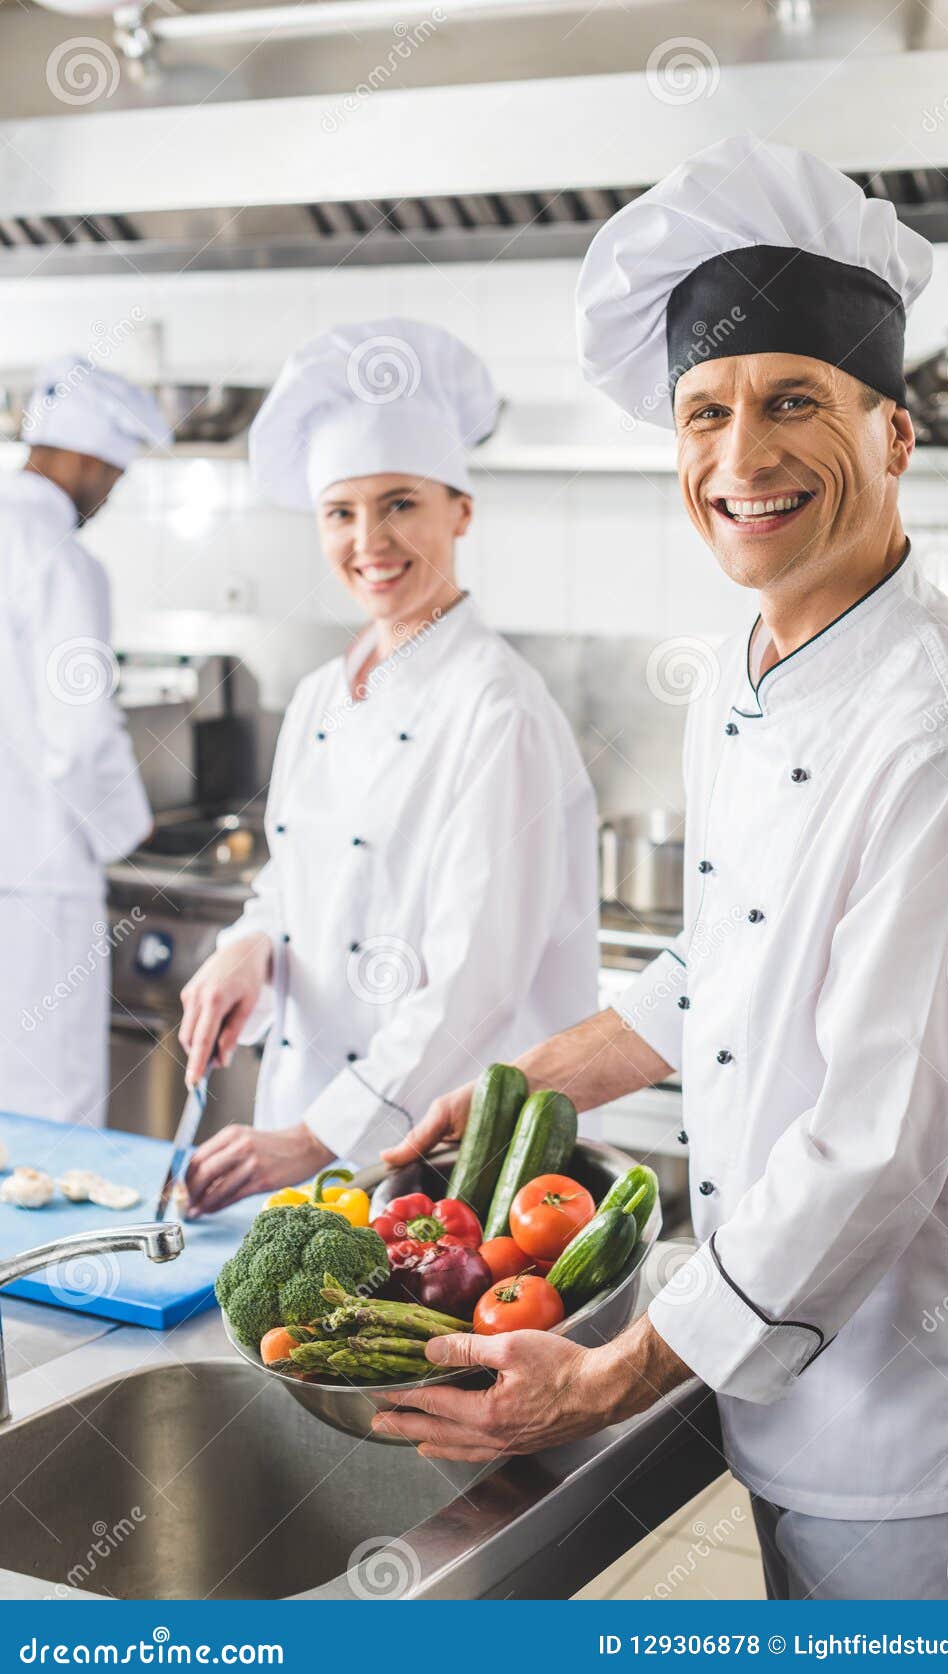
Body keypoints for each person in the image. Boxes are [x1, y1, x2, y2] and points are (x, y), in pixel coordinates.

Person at [374, 138, 948, 1601]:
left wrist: (616, 1370)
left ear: (896, 437)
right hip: (782, 1365)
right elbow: (724, 964)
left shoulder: (941, 739)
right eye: (706, 412)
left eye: (795, 403)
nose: (741, 460)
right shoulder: (746, 671)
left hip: (913, 1407)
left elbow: (872, 1145)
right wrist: (528, 1084)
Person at [180, 319, 599, 1216]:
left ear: (462, 511)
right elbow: (295, 882)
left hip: (438, 1163)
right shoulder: (323, 694)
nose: (370, 539)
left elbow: (472, 987)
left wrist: (315, 1137)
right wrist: (248, 945)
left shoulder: (500, 710)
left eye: (401, 503)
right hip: (312, 1141)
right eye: (341, 512)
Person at [0, 356, 167, 1128]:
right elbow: (78, 736)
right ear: (89, 459)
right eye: (112, 476)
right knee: (45, 1119)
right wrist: (130, 833)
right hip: (32, 884)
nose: (106, 496)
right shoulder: (61, 561)